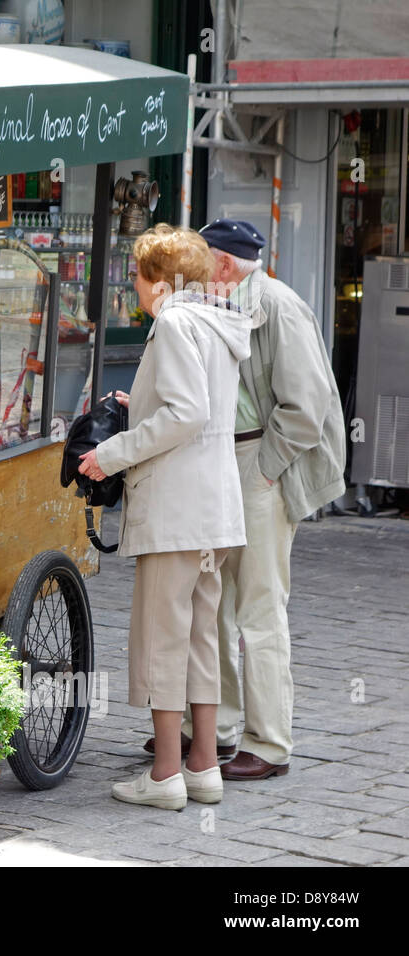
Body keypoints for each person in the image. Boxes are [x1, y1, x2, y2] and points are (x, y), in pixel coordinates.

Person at [77, 224, 253, 810]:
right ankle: (203, 767)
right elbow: (197, 405)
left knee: (162, 641)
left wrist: (111, 454)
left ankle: (164, 776)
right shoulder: (216, 322)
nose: (134, 283)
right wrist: (140, 406)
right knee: (202, 638)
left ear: (158, 281)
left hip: (177, 506)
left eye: (137, 274)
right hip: (215, 506)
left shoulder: (174, 323)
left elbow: (186, 413)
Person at [164, 218, 345, 781]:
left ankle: (268, 743)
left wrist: (265, 473)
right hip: (224, 456)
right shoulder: (221, 301)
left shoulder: (278, 306)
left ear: (222, 264)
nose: (188, 273)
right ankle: (216, 729)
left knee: (259, 608)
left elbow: (306, 408)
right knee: (212, 598)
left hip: (261, 459)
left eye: (198, 261)